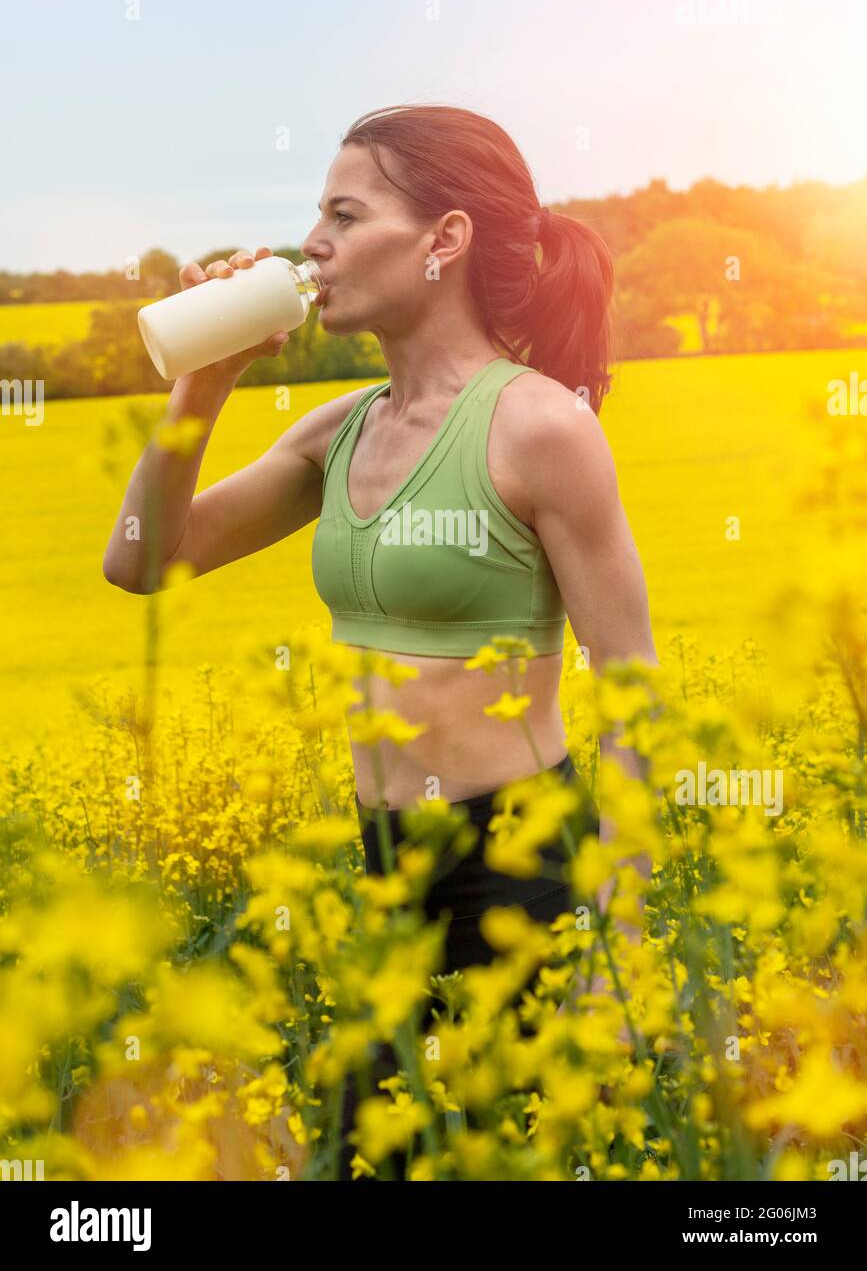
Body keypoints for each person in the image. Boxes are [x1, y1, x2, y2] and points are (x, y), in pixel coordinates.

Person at [102, 102, 658, 1180]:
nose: (311, 242)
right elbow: (140, 558)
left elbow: (632, 681)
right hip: (388, 874)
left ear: (445, 240)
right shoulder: (341, 427)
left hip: (519, 882)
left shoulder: (538, 427)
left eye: (344, 214)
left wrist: (620, 943)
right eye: (317, 213)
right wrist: (201, 384)